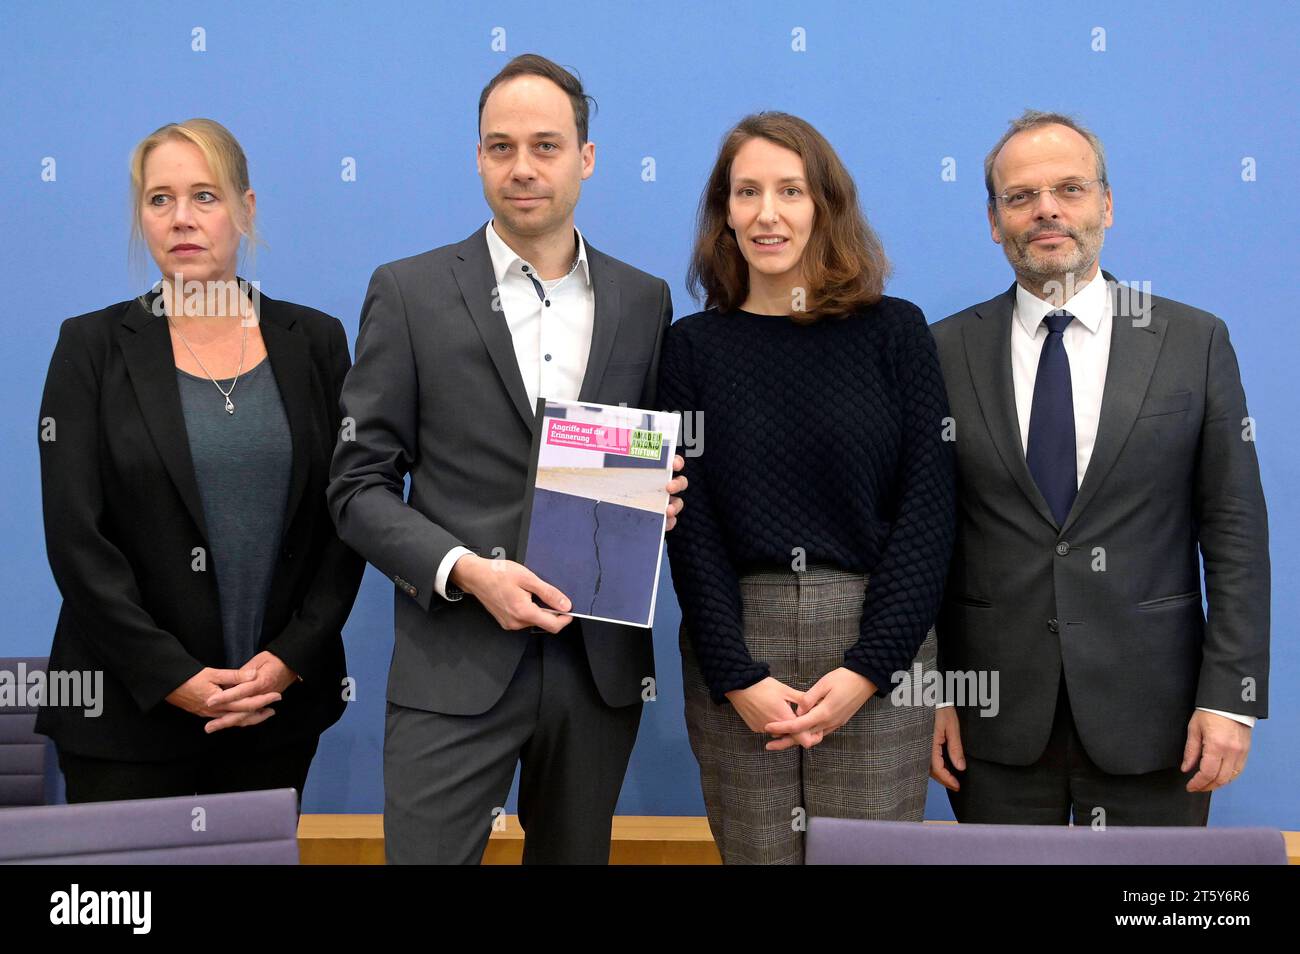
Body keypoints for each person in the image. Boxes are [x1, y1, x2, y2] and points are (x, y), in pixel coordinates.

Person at [327, 54, 686, 865]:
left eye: (546, 146)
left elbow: (655, 460)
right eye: (500, 147)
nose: (522, 168)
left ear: (586, 159)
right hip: (452, 662)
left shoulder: (644, 300)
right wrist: (464, 568)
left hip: (595, 668)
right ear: (478, 157)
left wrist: (663, 501)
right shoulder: (409, 292)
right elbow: (356, 485)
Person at [929, 110, 1269, 825]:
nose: (1046, 209)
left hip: (1158, 723)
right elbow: (922, 540)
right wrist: (931, 689)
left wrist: (1229, 697)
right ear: (994, 220)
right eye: (1021, 196)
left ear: (1106, 206)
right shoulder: (940, 351)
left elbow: (1234, 531)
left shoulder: (1192, 342)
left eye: (1070, 189)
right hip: (992, 727)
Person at [36, 118, 364, 807]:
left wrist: (289, 662)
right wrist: (171, 675)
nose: (181, 218)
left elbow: (347, 519)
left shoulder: (315, 343)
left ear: (247, 209)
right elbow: (76, 541)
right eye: (160, 199)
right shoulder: (90, 347)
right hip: (126, 720)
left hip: (272, 714)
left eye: (205, 196)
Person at [659, 112, 956, 864]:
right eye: (747, 191)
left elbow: (928, 509)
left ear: (824, 203)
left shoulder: (896, 332)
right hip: (737, 653)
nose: (767, 213)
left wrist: (868, 669)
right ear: (724, 212)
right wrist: (736, 675)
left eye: (790, 190)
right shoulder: (692, 348)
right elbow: (688, 527)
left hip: (876, 652)